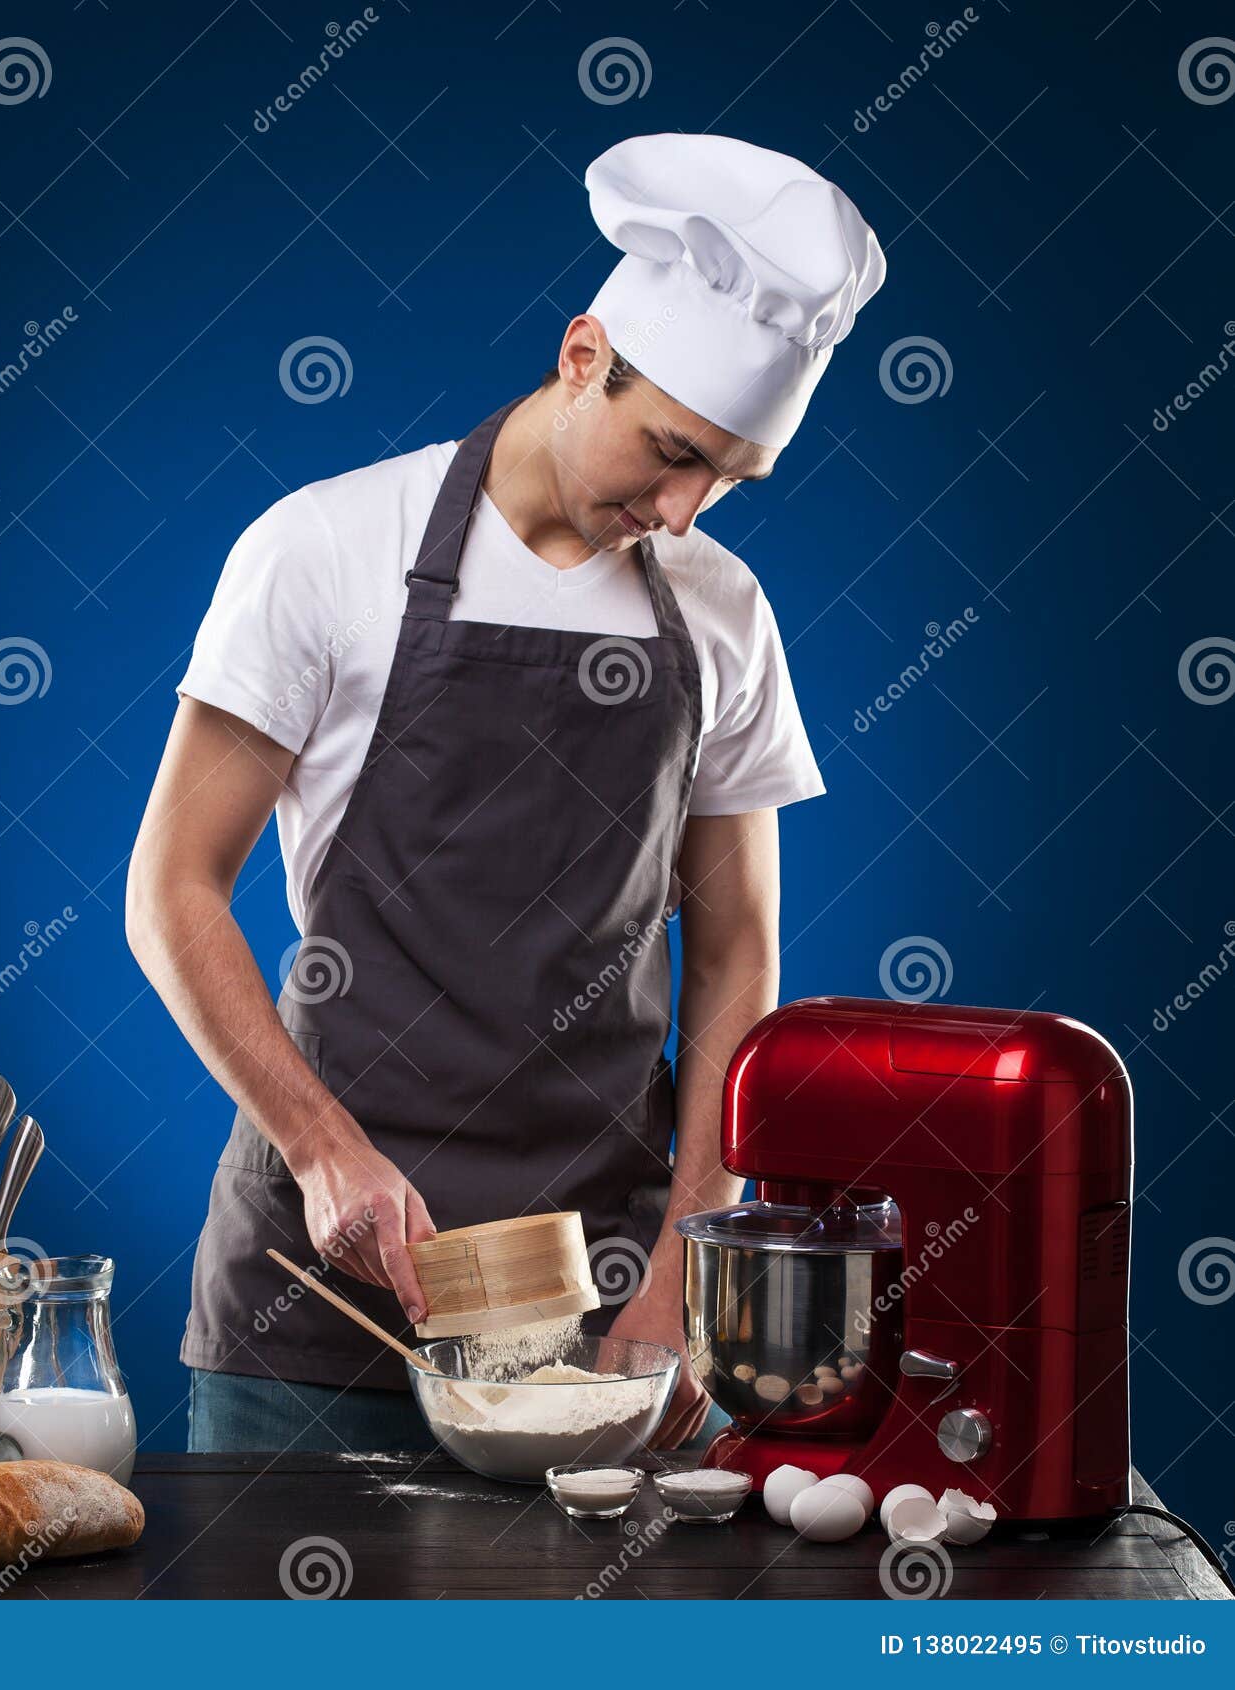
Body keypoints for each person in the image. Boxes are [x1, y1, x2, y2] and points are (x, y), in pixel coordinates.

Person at [126, 132, 886, 1455]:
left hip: (605, 1295)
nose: (685, 508)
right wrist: (316, 1149)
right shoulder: (324, 549)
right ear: (582, 354)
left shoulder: (720, 612)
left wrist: (689, 1259)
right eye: (669, 452)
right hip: (319, 1288)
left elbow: (736, 950)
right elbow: (170, 888)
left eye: (726, 478)